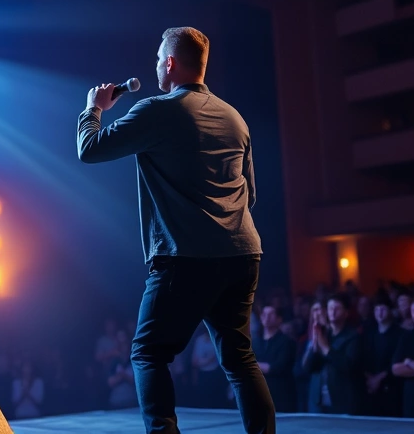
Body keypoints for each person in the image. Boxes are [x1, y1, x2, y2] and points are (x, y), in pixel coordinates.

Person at [77, 27, 272, 433]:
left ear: (169, 63)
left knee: (148, 353)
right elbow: (249, 195)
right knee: (240, 359)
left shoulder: (158, 110)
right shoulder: (235, 118)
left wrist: (93, 108)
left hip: (185, 256)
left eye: (157, 59)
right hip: (242, 253)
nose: (154, 66)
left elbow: (89, 150)